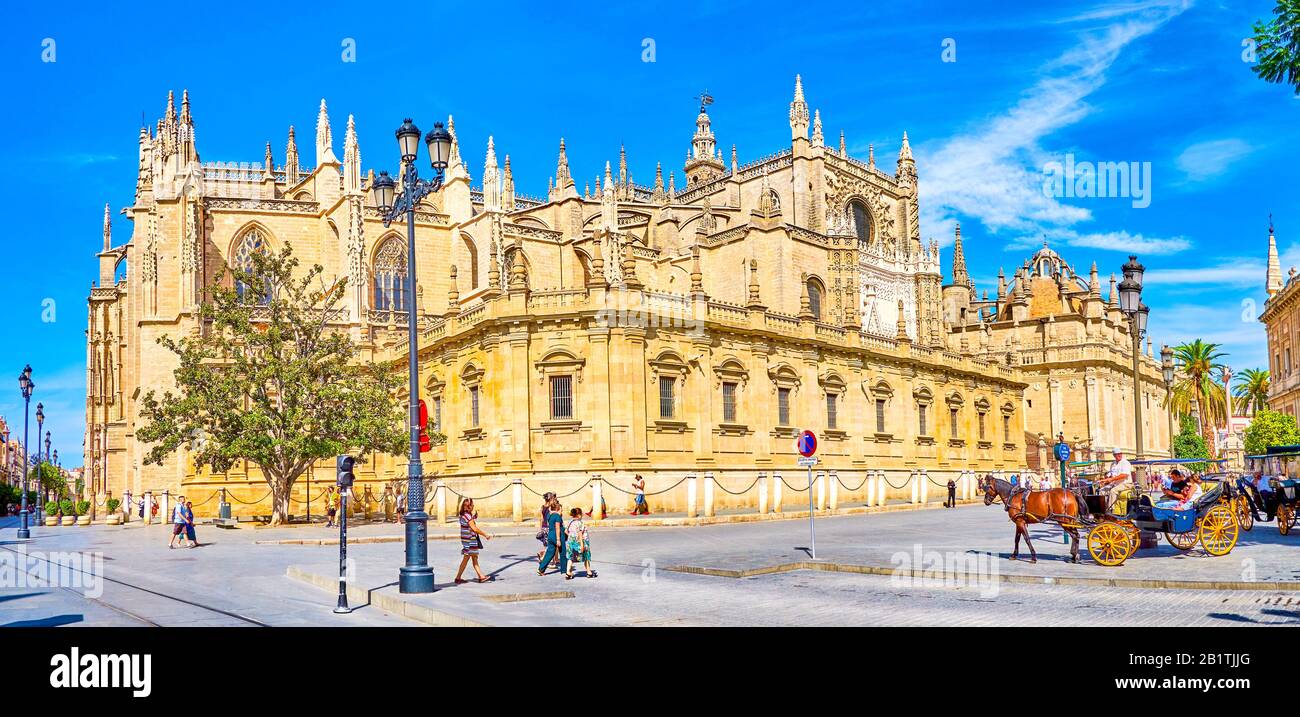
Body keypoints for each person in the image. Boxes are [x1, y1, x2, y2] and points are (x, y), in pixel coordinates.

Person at [454, 498, 493, 584]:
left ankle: (479, 576)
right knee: (468, 558)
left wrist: (473, 517)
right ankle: (460, 577)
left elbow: (467, 523)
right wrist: (485, 535)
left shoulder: (464, 515)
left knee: (473, 558)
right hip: (470, 540)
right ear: (469, 506)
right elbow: (474, 528)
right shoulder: (467, 516)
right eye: (472, 505)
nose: (473, 506)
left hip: (466, 539)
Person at [537, 496, 568, 576]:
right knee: (563, 552)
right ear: (558, 509)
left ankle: (541, 569)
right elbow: (557, 527)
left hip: (550, 535)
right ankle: (564, 570)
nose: (562, 511)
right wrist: (558, 539)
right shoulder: (557, 516)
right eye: (561, 510)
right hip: (557, 535)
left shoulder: (549, 516)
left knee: (550, 553)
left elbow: (548, 523)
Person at [564, 507, 597, 579]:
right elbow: (580, 534)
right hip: (581, 542)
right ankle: (589, 572)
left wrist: (571, 537)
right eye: (581, 514)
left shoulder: (570, 522)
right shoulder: (580, 523)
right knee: (586, 557)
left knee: (570, 557)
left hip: (571, 543)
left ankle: (568, 572)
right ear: (579, 515)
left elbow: (566, 531)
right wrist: (582, 544)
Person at [1100, 448, 1134, 514]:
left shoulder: (1125, 463)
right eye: (1117, 454)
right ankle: (1102, 509)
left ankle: (1111, 511)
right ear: (1114, 455)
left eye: (1120, 453)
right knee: (1102, 491)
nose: (1119, 455)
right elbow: (1111, 475)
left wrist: (1111, 479)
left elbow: (1124, 475)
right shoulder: (1113, 464)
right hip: (1115, 484)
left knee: (1113, 491)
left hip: (1126, 484)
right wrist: (1105, 480)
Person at [536, 492, 557, 565]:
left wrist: (541, 528)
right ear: (550, 499)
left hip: (543, 527)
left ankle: (548, 559)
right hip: (549, 528)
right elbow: (550, 519)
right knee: (551, 545)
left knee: (545, 545)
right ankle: (543, 557)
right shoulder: (551, 507)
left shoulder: (542, 507)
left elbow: (541, 518)